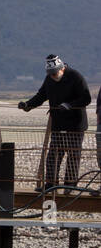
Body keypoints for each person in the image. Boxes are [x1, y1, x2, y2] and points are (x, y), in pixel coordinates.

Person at [19, 54, 91, 190]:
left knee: (73, 155)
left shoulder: (75, 76)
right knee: (53, 155)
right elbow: (41, 95)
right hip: (58, 124)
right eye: (50, 74)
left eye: (54, 73)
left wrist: (69, 105)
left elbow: (86, 98)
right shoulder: (49, 79)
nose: (53, 76)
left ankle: (70, 185)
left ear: (62, 68)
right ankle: (51, 184)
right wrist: (28, 105)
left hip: (75, 125)